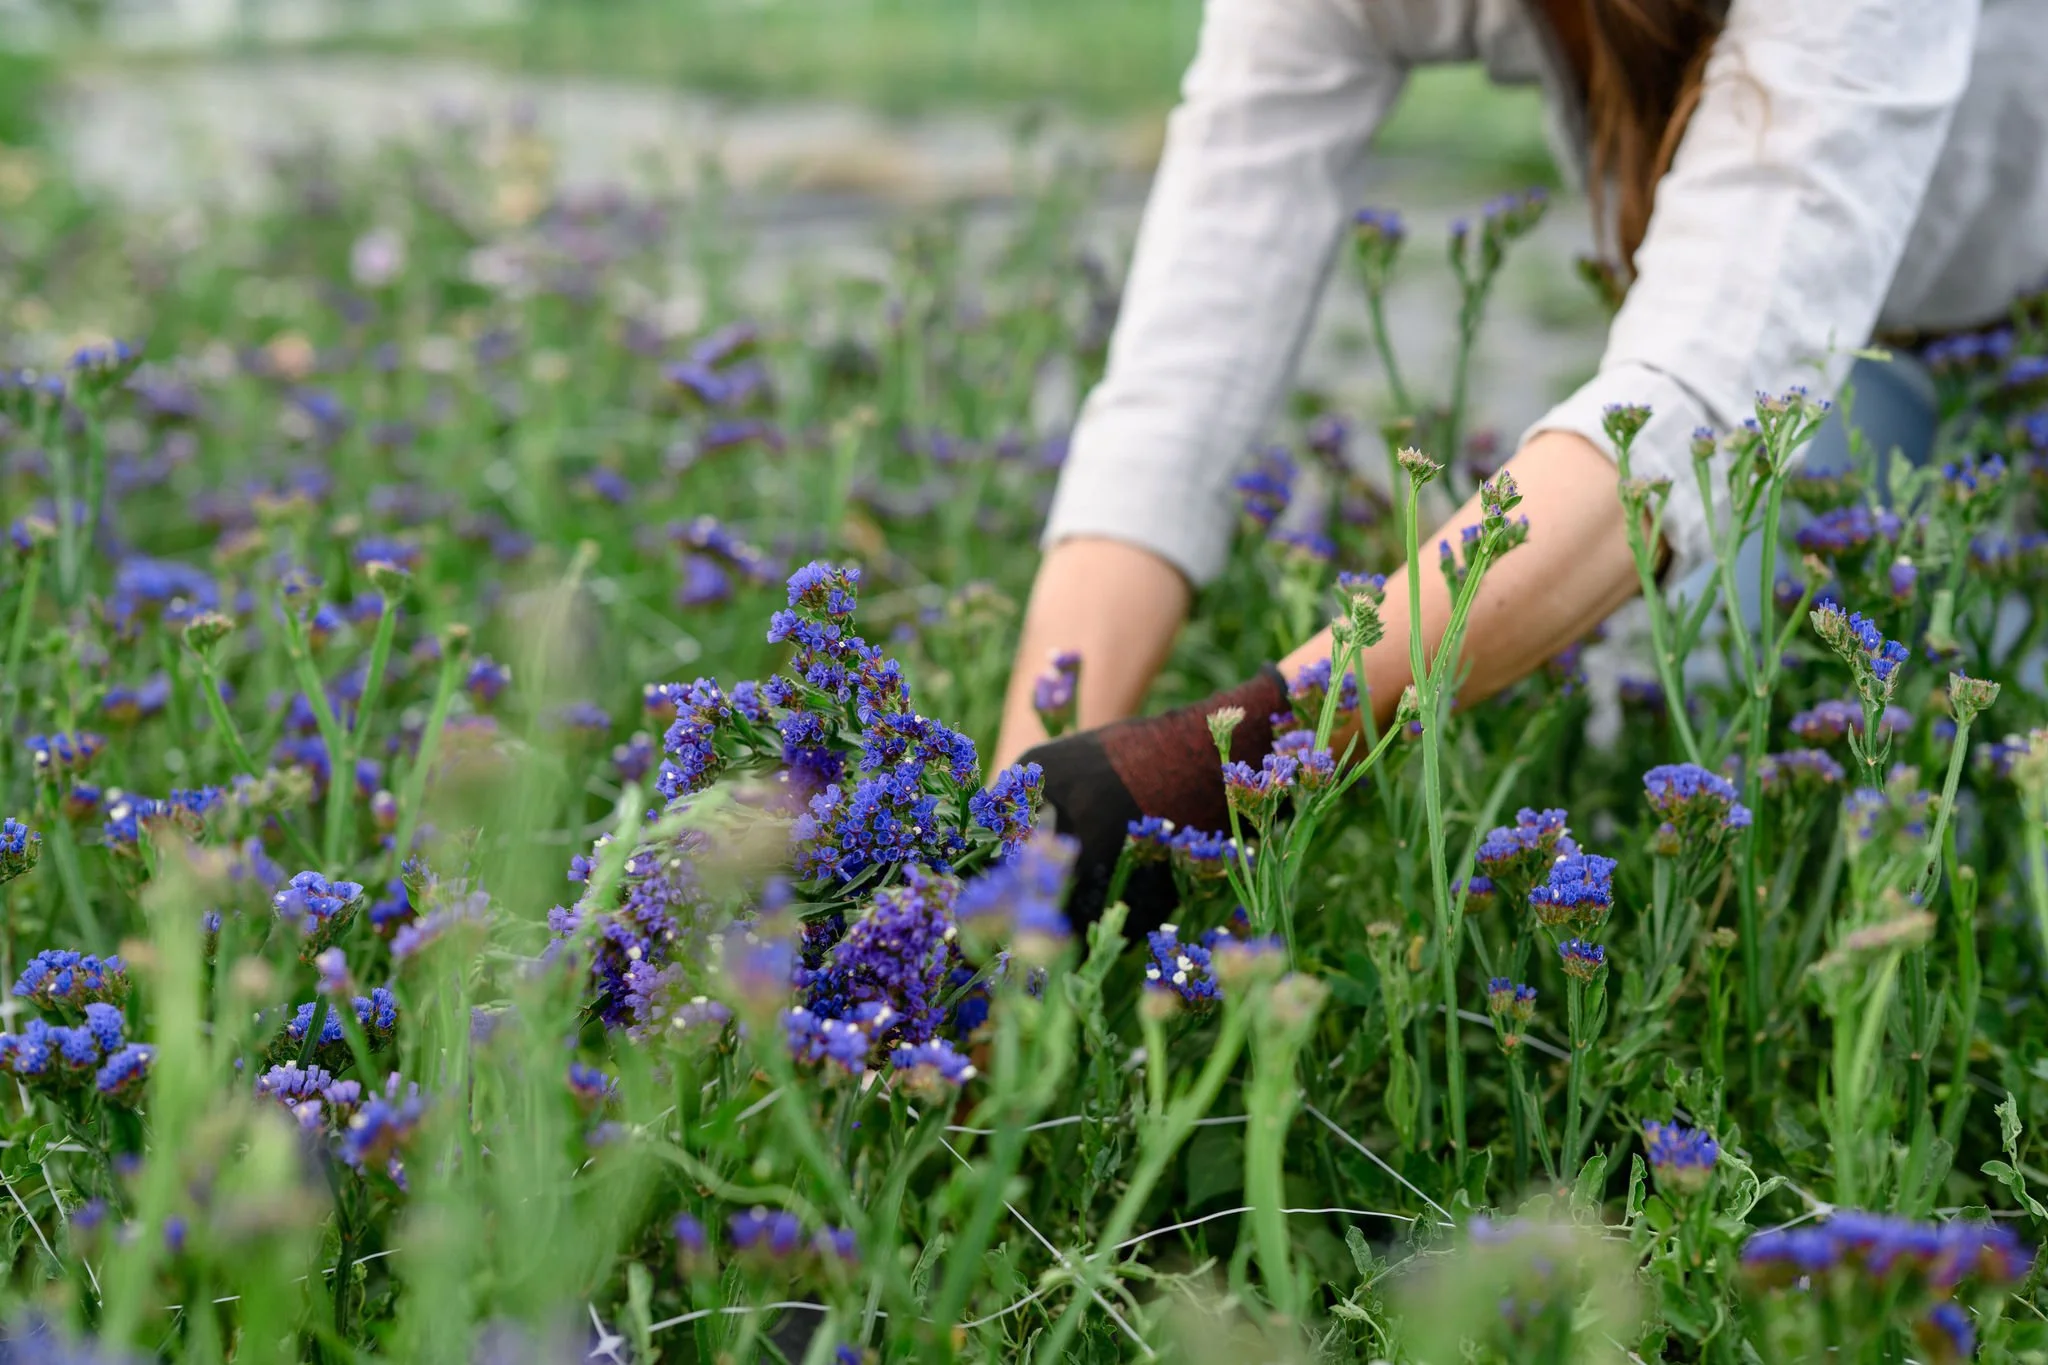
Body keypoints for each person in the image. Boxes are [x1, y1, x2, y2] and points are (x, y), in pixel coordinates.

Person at [995, 0, 2048, 925]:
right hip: (1839, 368)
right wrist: (1017, 844)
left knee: (1964, 820)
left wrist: (1219, 763)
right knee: (1751, 747)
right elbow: (1177, 389)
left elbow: (1687, 406)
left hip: (1999, 318)